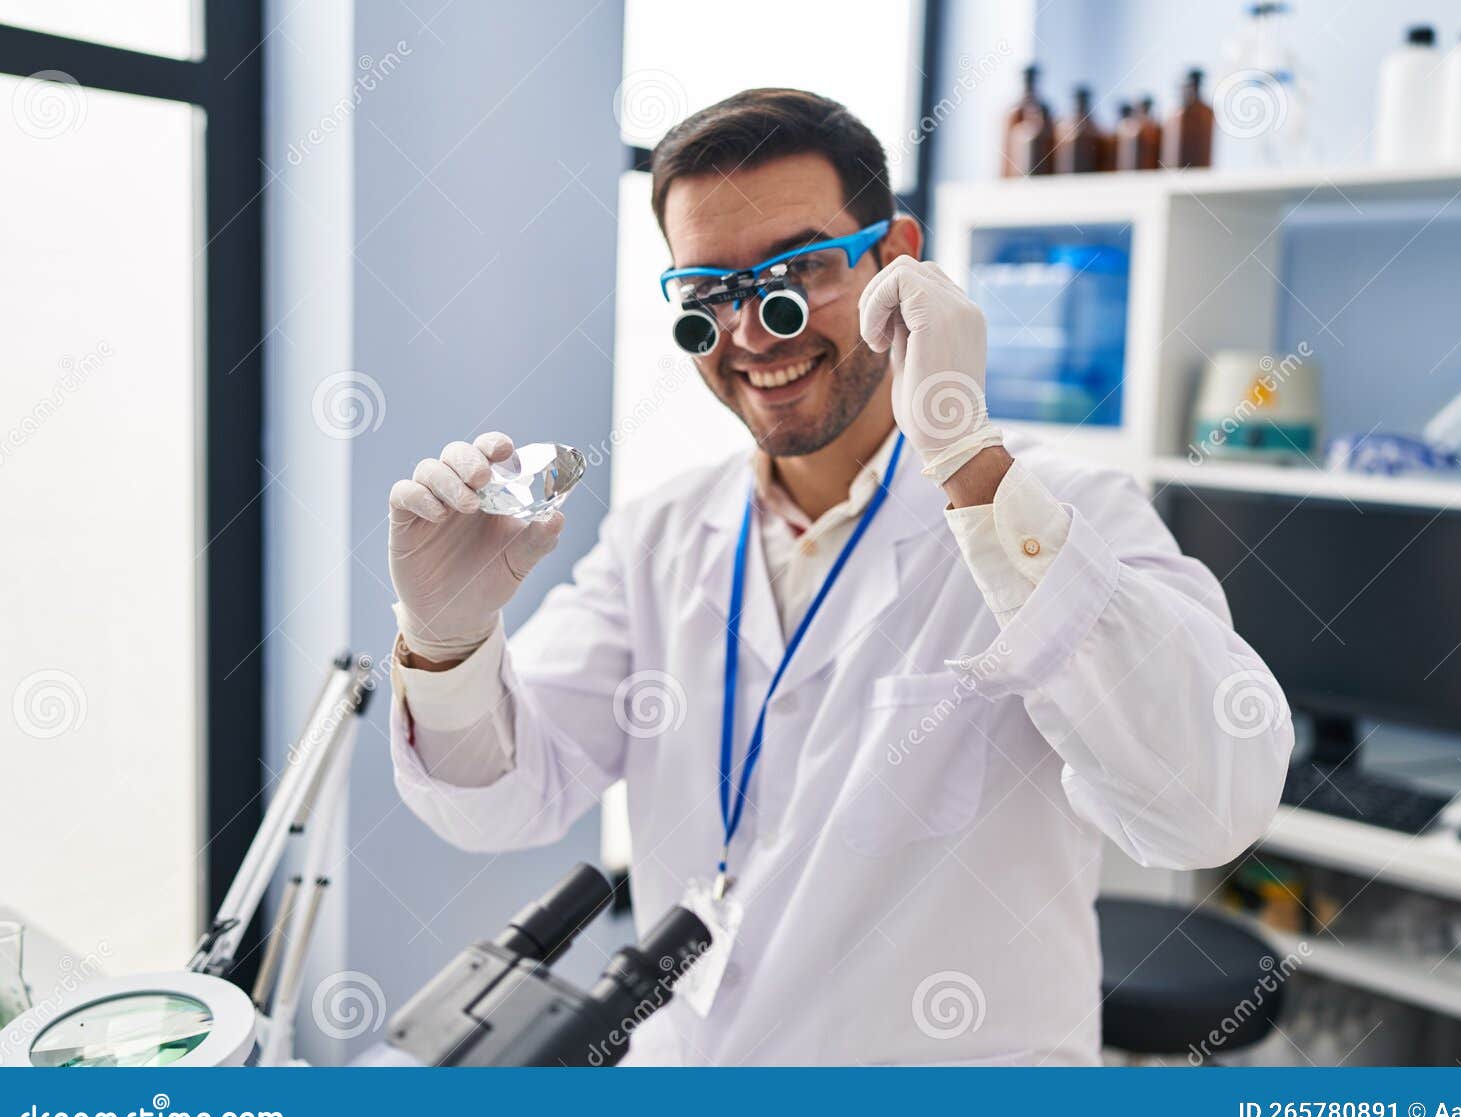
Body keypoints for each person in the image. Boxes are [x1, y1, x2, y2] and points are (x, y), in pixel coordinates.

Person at [386, 88, 1291, 1065]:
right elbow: (507, 798)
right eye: (710, 292)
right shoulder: (660, 536)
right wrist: (447, 642)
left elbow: (1212, 805)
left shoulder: (1064, 511)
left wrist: (968, 463)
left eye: (799, 271)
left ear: (895, 257)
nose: (751, 331)